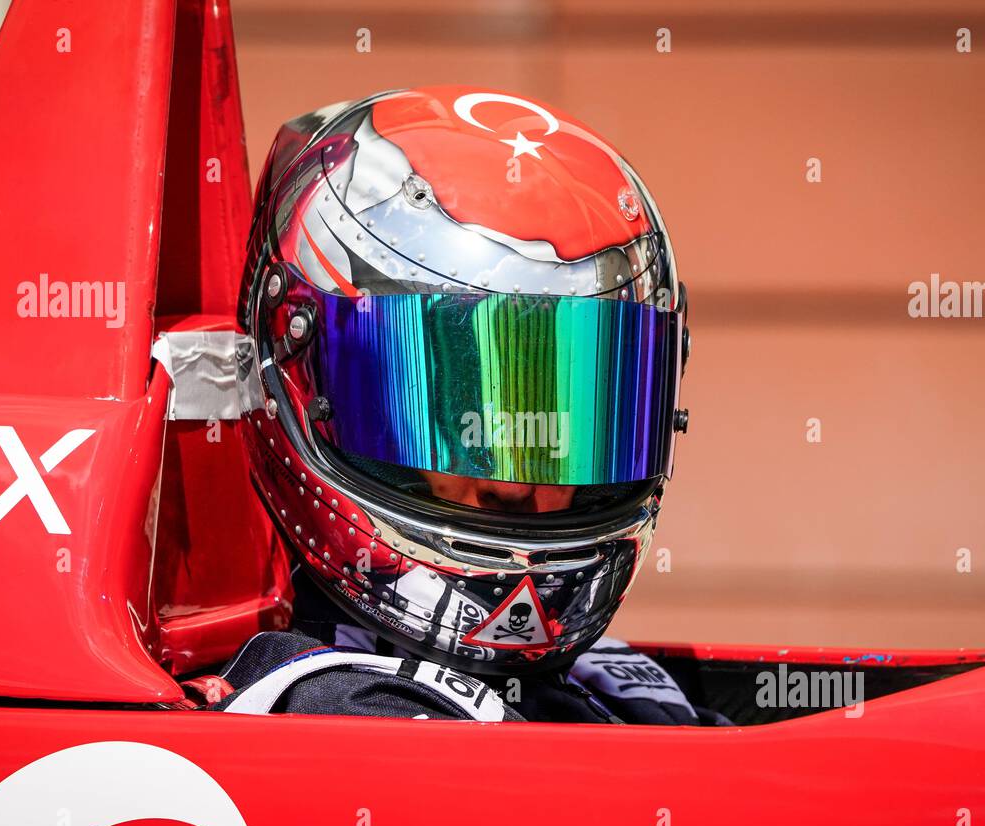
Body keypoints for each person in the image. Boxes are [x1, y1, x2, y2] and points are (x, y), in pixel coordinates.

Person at [214, 86, 724, 725]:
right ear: (298, 372)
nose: (511, 488)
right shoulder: (338, 709)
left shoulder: (629, 689)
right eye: (453, 410)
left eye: (563, 426)